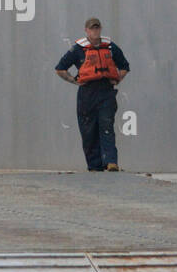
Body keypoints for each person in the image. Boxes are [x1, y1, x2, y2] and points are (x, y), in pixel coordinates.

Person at [55, 18, 130, 171]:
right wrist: (74, 81)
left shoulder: (110, 47)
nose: (95, 31)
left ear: (100, 29)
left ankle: (111, 162)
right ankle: (94, 166)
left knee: (106, 126)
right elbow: (60, 68)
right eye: (92, 29)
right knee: (88, 131)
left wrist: (117, 80)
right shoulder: (77, 49)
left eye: (97, 28)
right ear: (86, 30)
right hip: (87, 93)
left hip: (106, 92)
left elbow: (124, 66)